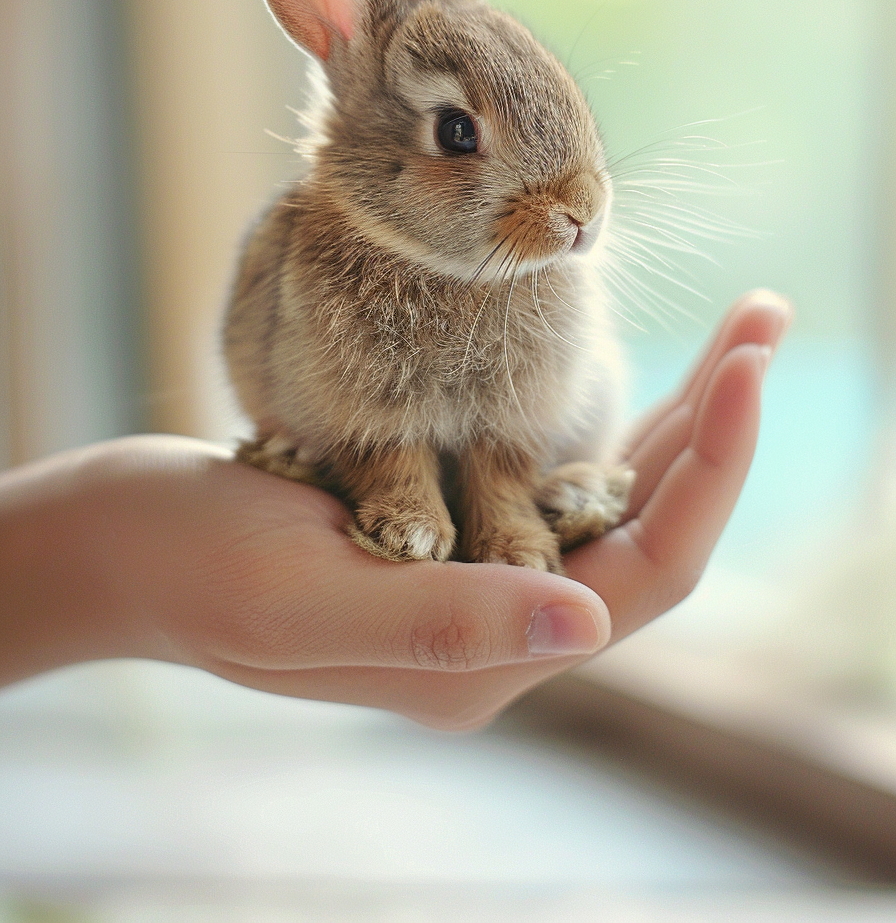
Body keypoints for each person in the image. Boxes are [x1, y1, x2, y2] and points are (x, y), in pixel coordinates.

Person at [0, 291, 791, 729]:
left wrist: (97, 541)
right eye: (458, 134)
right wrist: (110, 550)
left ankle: (514, 505)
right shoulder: (334, 280)